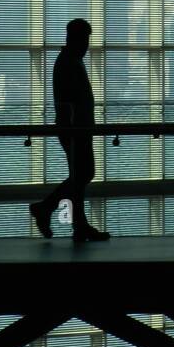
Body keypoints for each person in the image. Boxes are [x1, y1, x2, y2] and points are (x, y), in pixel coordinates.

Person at [30, 18, 110, 242]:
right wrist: (77, 127)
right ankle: (47, 208)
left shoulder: (69, 60)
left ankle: (76, 224)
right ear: (75, 38)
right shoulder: (69, 62)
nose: (86, 45)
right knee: (84, 174)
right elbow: (71, 100)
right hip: (76, 129)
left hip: (76, 128)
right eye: (84, 39)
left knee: (80, 175)